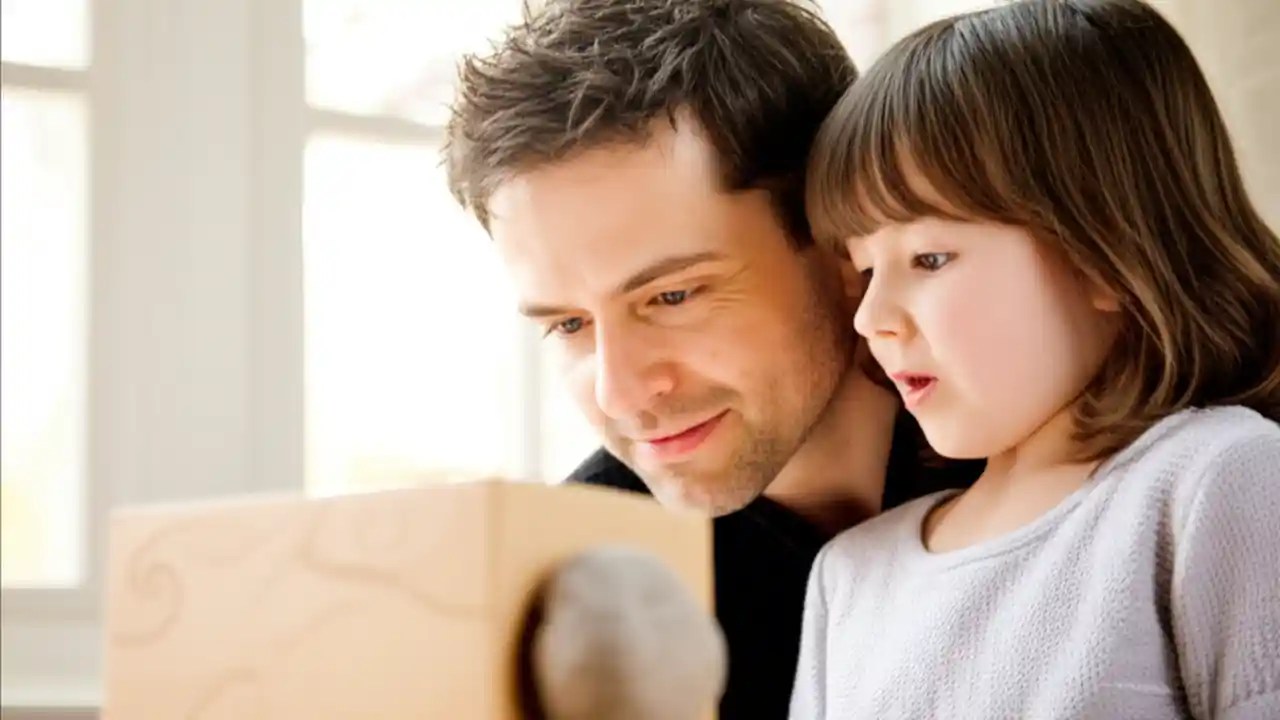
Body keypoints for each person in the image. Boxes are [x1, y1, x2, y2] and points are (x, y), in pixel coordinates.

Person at [444, 0, 980, 716]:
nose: (622, 393)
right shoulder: (562, 591)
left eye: (672, 297)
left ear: (843, 245)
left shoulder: (1085, 464)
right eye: (570, 324)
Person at [791, 0, 1280, 717]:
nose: (870, 317)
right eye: (864, 271)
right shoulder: (849, 576)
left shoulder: (1219, 481)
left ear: (1105, 254)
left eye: (928, 257)